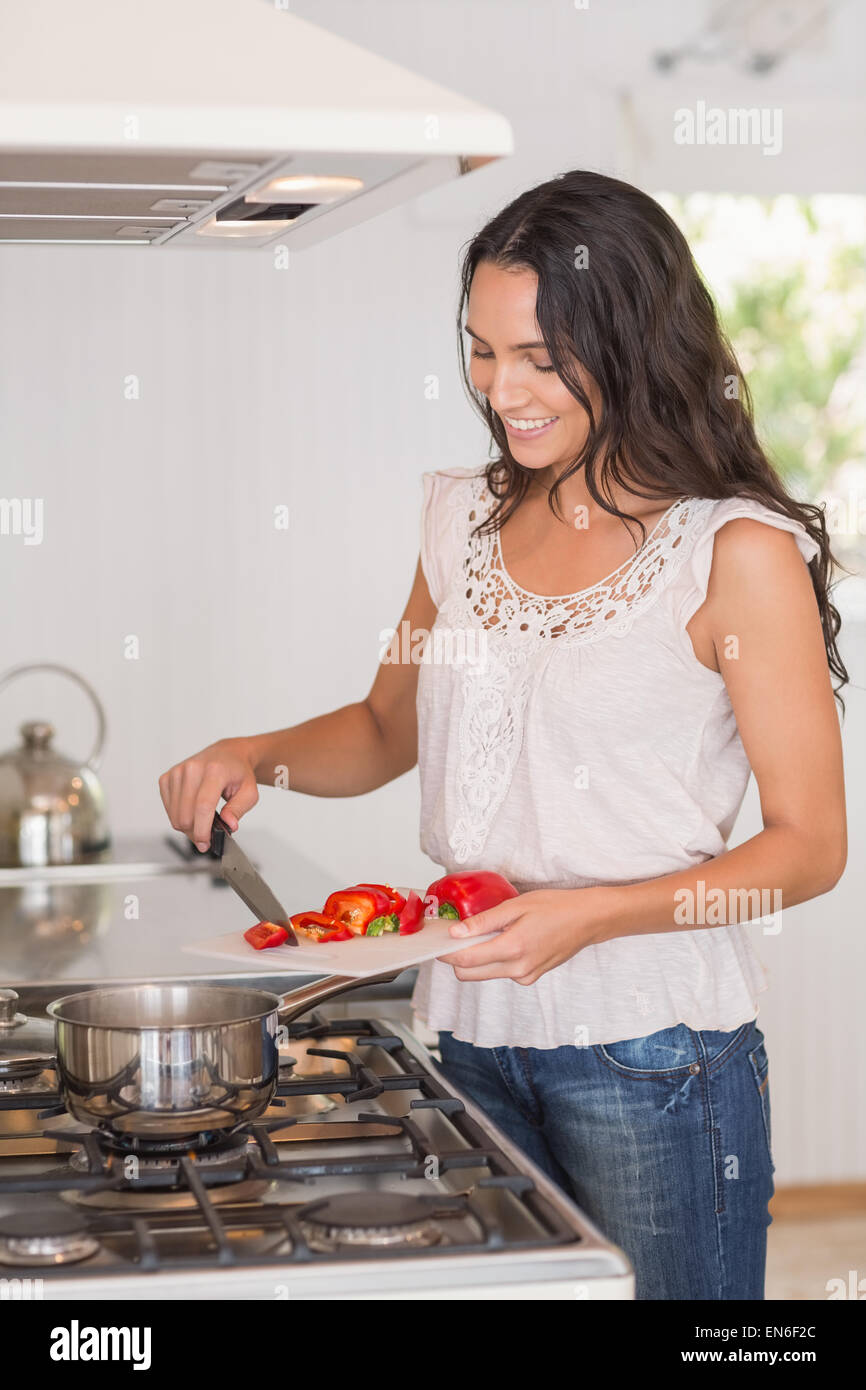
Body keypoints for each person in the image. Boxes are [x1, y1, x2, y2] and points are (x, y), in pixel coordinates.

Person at [159, 170, 847, 1300]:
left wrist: (593, 916)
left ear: (632, 342)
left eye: (539, 357)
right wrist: (255, 755)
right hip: (470, 1024)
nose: (502, 388)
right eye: (483, 349)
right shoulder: (461, 517)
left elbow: (809, 844)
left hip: (651, 1050)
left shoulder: (733, 553)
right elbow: (389, 725)